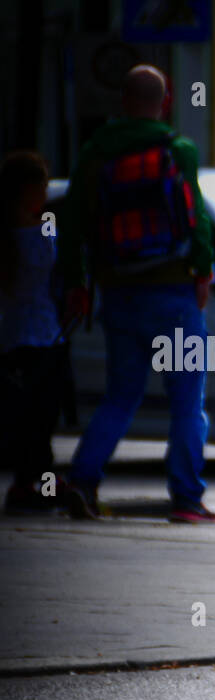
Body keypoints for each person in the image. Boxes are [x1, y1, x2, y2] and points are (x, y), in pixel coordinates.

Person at [57, 64, 215, 523]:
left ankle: (82, 482)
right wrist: (202, 272)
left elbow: (73, 226)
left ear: (123, 102)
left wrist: (77, 283)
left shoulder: (95, 154)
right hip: (174, 294)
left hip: (119, 294)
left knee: (121, 395)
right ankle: (186, 499)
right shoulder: (178, 150)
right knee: (187, 402)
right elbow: (197, 219)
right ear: (165, 103)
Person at [0, 151, 66, 514]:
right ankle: (42, 485)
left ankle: (26, 484)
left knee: (26, 419)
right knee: (43, 419)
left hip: (13, 337)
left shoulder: (8, 236)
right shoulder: (44, 231)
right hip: (46, 336)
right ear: (29, 191)